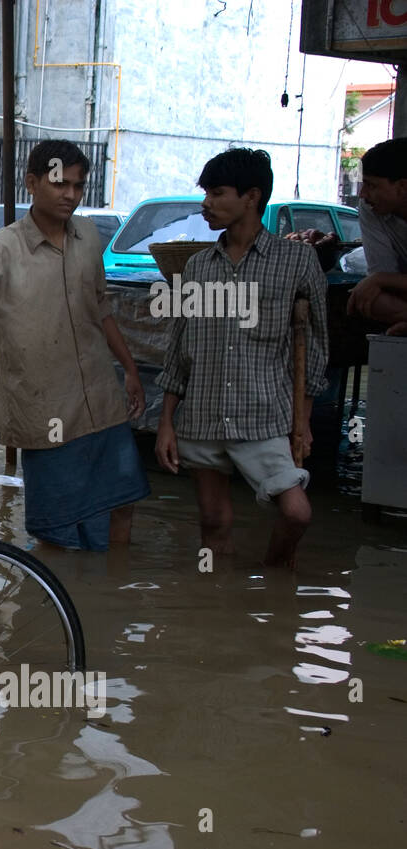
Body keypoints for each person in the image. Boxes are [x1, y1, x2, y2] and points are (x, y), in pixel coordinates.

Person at [0, 139, 148, 551]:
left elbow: (101, 308)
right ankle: (57, 603)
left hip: (101, 399)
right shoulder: (2, 249)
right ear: (32, 183)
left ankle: (106, 596)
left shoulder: (88, 236)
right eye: (60, 184)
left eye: (77, 185)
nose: (70, 195)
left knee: (120, 506)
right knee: (55, 531)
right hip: (46, 412)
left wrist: (129, 370)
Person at [154, 148, 329, 569]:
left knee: (296, 513)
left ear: (251, 197)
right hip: (203, 416)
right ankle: (219, 610)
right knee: (213, 522)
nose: (206, 204)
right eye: (206, 194)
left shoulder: (297, 260)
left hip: (265, 417)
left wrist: (302, 421)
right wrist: (165, 424)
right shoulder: (197, 267)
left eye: (217, 193)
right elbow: (179, 348)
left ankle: (275, 575)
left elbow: (317, 348)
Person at [349, 137, 407, 335]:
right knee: (367, 298)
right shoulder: (370, 209)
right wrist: (380, 279)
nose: (363, 194)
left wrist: (381, 279)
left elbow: (381, 277)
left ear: (402, 187)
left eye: (371, 185)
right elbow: (380, 272)